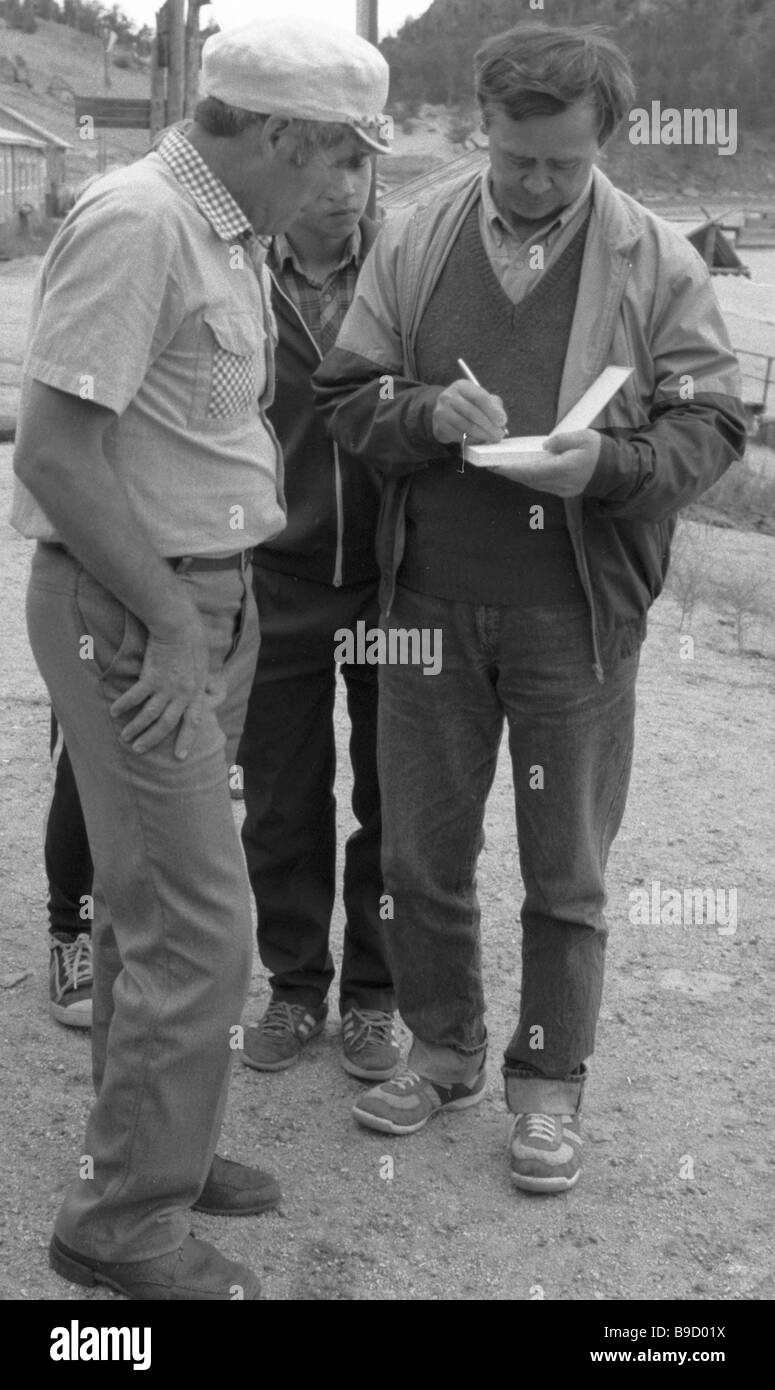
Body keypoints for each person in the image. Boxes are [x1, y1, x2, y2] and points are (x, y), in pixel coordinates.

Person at [313, 21, 745, 1193]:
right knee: (418, 849)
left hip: (575, 617)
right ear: (479, 132)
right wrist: (419, 420)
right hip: (427, 604)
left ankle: (548, 1089)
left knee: (567, 871)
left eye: (561, 160)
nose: (535, 180)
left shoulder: (660, 259)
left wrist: (605, 469)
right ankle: (443, 1050)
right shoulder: (413, 236)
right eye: (514, 157)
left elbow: (711, 423)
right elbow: (348, 395)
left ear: (603, 139)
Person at [11, 17, 390, 1299]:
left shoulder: (219, 228)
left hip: (194, 602)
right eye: (332, 157)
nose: (341, 187)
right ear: (278, 133)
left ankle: (153, 1147)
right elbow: (54, 450)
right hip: (141, 610)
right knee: (202, 926)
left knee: (148, 907)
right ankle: (122, 1221)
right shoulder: (145, 223)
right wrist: (174, 626)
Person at [237, 138, 398, 1082]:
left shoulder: (407, 267)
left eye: (361, 168)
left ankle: (376, 999)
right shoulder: (237, 272)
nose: (343, 189)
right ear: (285, 167)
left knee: (395, 802)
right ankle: (295, 985)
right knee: (282, 800)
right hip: (275, 574)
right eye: (326, 166)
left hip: (395, 583)